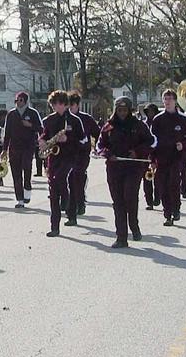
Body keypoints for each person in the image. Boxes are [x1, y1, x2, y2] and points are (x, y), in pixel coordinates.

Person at [96, 96, 154, 248]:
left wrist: (137, 151)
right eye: (119, 110)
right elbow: (100, 146)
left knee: (130, 197)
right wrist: (108, 154)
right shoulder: (108, 127)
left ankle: (134, 226)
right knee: (118, 202)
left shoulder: (138, 125)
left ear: (130, 110)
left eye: (125, 110)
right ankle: (121, 237)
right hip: (114, 168)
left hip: (133, 168)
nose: (122, 113)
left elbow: (150, 141)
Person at [39, 90, 87, 236]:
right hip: (53, 157)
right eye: (54, 103)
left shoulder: (74, 120)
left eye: (59, 103)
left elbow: (83, 140)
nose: (56, 106)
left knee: (62, 179)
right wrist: (42, 141)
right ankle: (55, 227)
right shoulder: (48, 120)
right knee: (53, 191)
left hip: (70, 156)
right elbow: (43, 135)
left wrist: (68, 140)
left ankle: (67, 205)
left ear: (66, 104)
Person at [150, 89, 186, 226]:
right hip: (161, 158)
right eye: (165, 99)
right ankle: (167, 214)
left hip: (177, 157)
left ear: (175, 101)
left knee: (173, 184)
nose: (167, 102)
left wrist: (184, 144)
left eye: (170, 99)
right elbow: (152, 141)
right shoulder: (157, 120)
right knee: (162, 186)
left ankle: (176, 209)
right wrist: (152, 160)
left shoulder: (183, 119)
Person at [2, 92, 43, 209]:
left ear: (25, 101)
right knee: (16, 174)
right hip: (14, 147)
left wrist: (30, 125)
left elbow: (41, 129)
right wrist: (4, 149)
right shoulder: (11, 114)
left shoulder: (32, 113)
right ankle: (20, 200)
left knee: (27, 167)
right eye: (16, 100)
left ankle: (27, 188)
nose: (17, 102)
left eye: (20, 100)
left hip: (28, 146)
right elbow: (7, 133)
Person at [68, 91, 101, 217]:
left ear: (77, 105)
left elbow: (98, 133)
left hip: (82, 154)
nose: (70, 108)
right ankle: (73, 204)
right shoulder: (64, 118)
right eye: (68, 105)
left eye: (72, 105)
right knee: (70, 180)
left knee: (78, 177)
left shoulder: (86, 118)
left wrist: (97, 147)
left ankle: (80, 204)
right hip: (67, 154)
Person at [141, 104, 161, 210]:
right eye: (148, 111)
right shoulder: (143, 125)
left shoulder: (159, 124)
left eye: (152, 111)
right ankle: (149, 201)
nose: (150, 113)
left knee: (158, 179)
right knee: (147, 179)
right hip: (145, 156)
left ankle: (157, 197)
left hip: (158, 155)